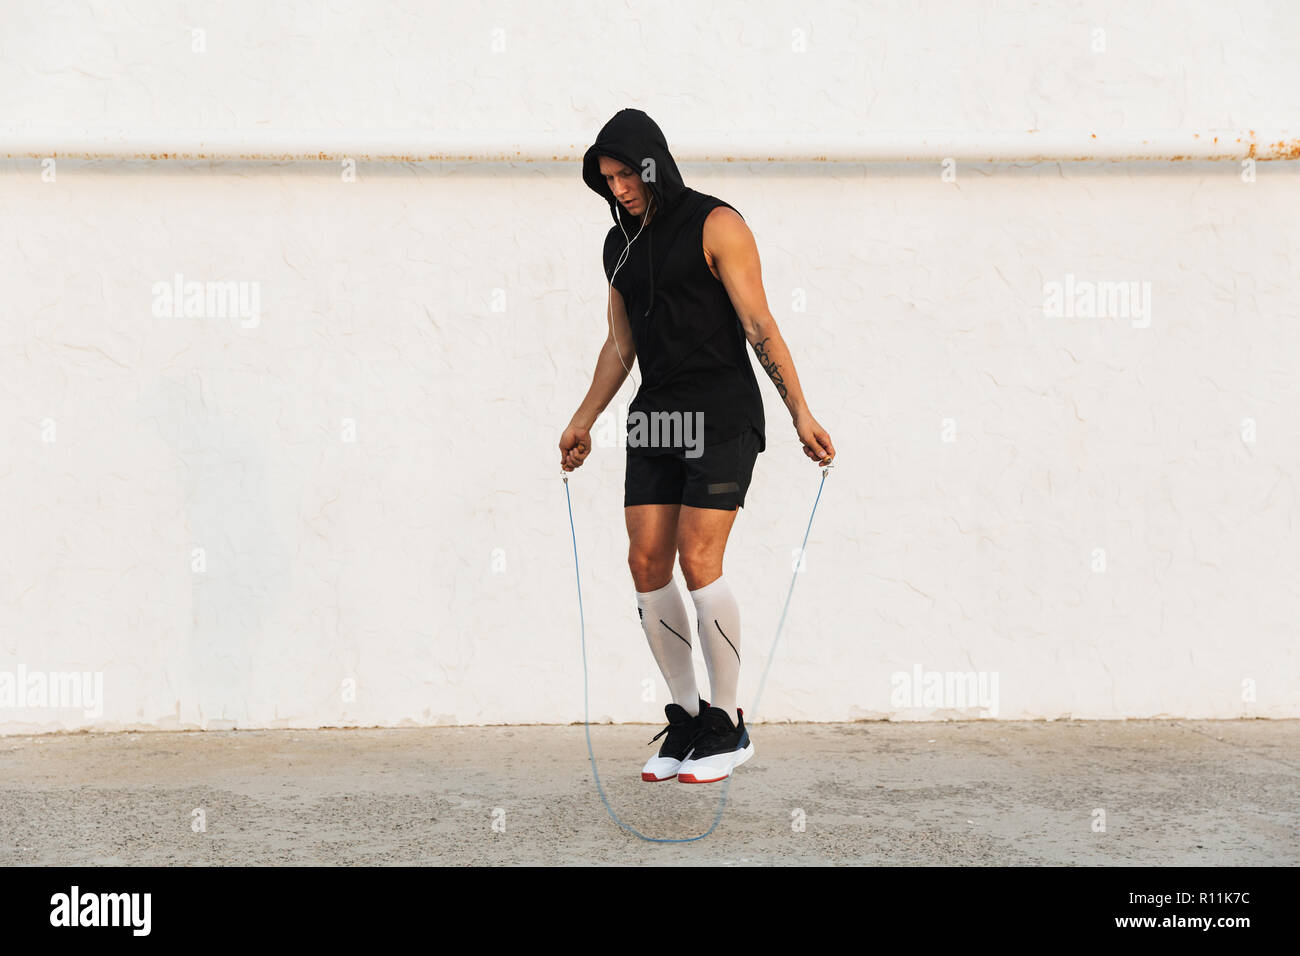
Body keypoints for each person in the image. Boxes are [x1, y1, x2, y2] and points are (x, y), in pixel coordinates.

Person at [559, 108, 835, 783]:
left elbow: (758, 322)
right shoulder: (616, 246)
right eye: (608, 179)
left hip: (720, 412)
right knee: (645, 561)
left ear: (652, 163)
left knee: (698, 555)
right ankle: (686, 721)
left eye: (627, 173)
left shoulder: (718, 224)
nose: (620, 188)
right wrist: (584, 418)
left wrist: (800, 411)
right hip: (655, 416)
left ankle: (728, 722)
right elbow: (621, 345)